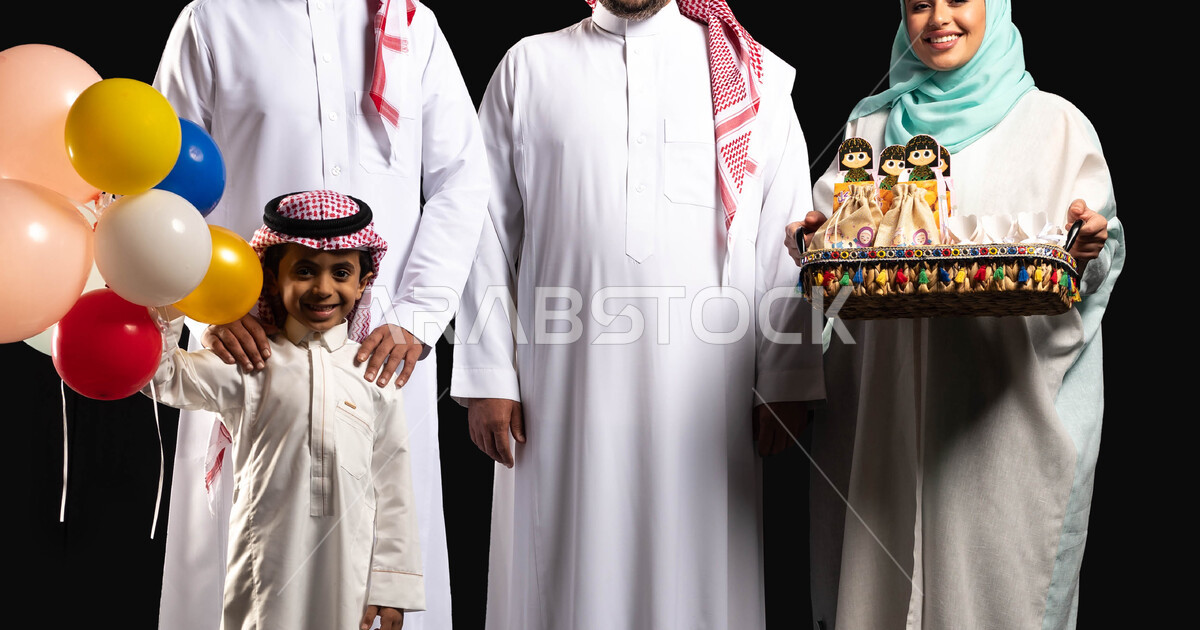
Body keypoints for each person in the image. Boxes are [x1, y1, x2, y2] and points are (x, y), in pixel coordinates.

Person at [449, 1, 824, 628]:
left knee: (699, 562)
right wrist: (488, 377)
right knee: (562, 567)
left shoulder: (748, 73)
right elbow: (483, 228)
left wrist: (783, 379)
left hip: (709, 386)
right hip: (560, 386)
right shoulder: (529, 66)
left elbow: (781, 237)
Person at [785, 1, 1125, 628]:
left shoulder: (1055, 126)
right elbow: (826, 287)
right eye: (919, 4)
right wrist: (811, 251)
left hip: (999, 425)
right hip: (879, 426)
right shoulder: (869, 130)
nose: (938, 17)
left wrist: (1088, 251)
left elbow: (1090, 275)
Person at [152, 2, 489, 629]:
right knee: (248, 545)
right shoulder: (213, 20)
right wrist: (207, 307)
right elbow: (164, 180)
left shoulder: (412, 23)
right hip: (245, 341)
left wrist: (417, 315)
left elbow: (462, 178)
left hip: (382, 348)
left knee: (387, 530)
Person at [144, 190, 424, 630]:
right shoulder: (250, 362)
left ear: (363, 282)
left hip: (348, 569)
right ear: (273, 279)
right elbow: (161, 376)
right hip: (266, 568)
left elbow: (393, 487)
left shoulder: (371, 375)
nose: (323, 289)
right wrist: (170, 297)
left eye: (342, 273)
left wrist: (390, 587)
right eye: (305, 271)